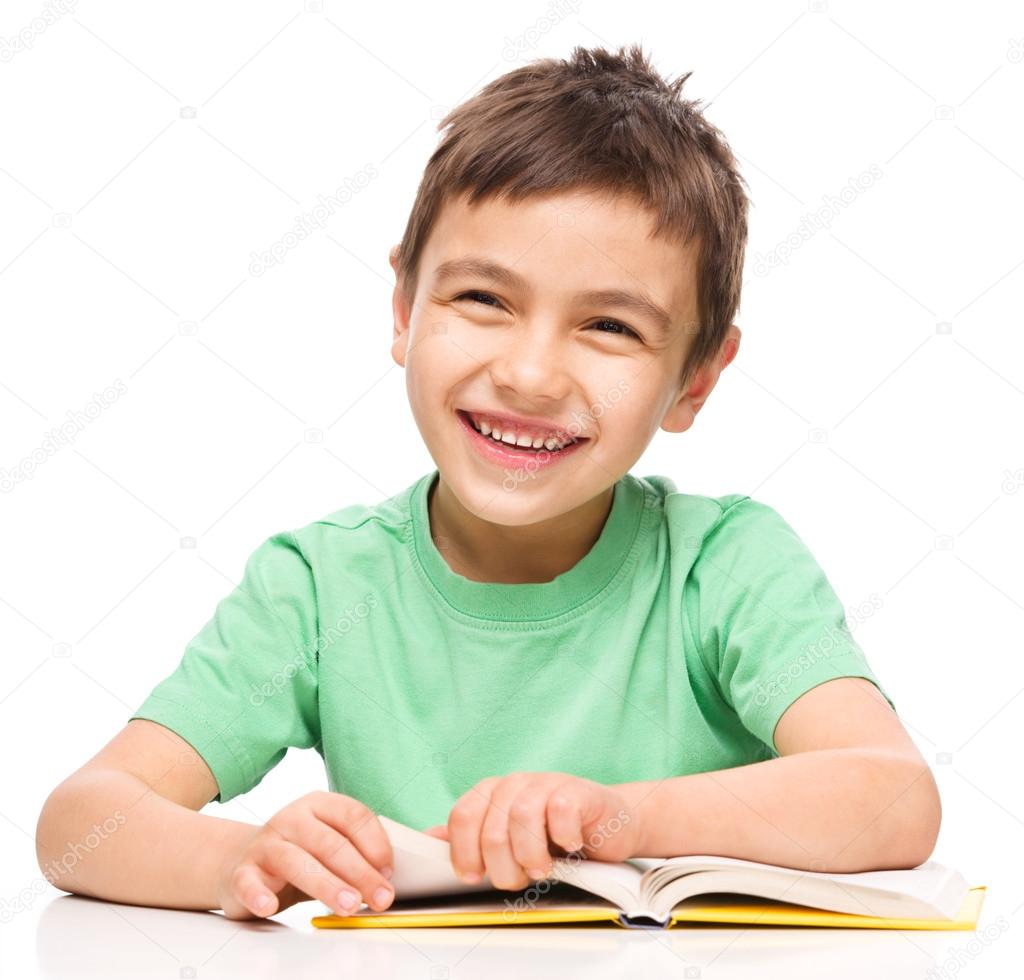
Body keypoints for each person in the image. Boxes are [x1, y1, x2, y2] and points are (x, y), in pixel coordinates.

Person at [36, 43, 940, 922]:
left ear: (695, 378)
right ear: (404, 308)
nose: (532, 375)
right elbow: (80, 823)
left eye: (612, 327)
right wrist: (236, 858)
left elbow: (894, 796)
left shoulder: (727, 566)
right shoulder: (320, 588)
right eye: (484, 300)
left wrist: (619, 818)